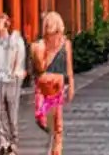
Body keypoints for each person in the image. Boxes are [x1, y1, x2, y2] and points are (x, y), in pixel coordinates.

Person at [0, 13, 27, 155]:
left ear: (7, 23)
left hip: (11, 80)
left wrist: (17, 74)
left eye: (1, 21)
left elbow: (20, 59)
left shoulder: (15, 40)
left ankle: (13, 143)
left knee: (11, 114)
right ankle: (3, 141)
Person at [31, 11, 74, 155]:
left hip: (57, 85)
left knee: (57, 121)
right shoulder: (41, 45)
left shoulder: (66, 44)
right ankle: (54, 145)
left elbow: (68, 67)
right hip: (43, 86)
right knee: (42, 119)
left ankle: (56, 149)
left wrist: (71, 85)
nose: (54, 35)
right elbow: (39, 69)